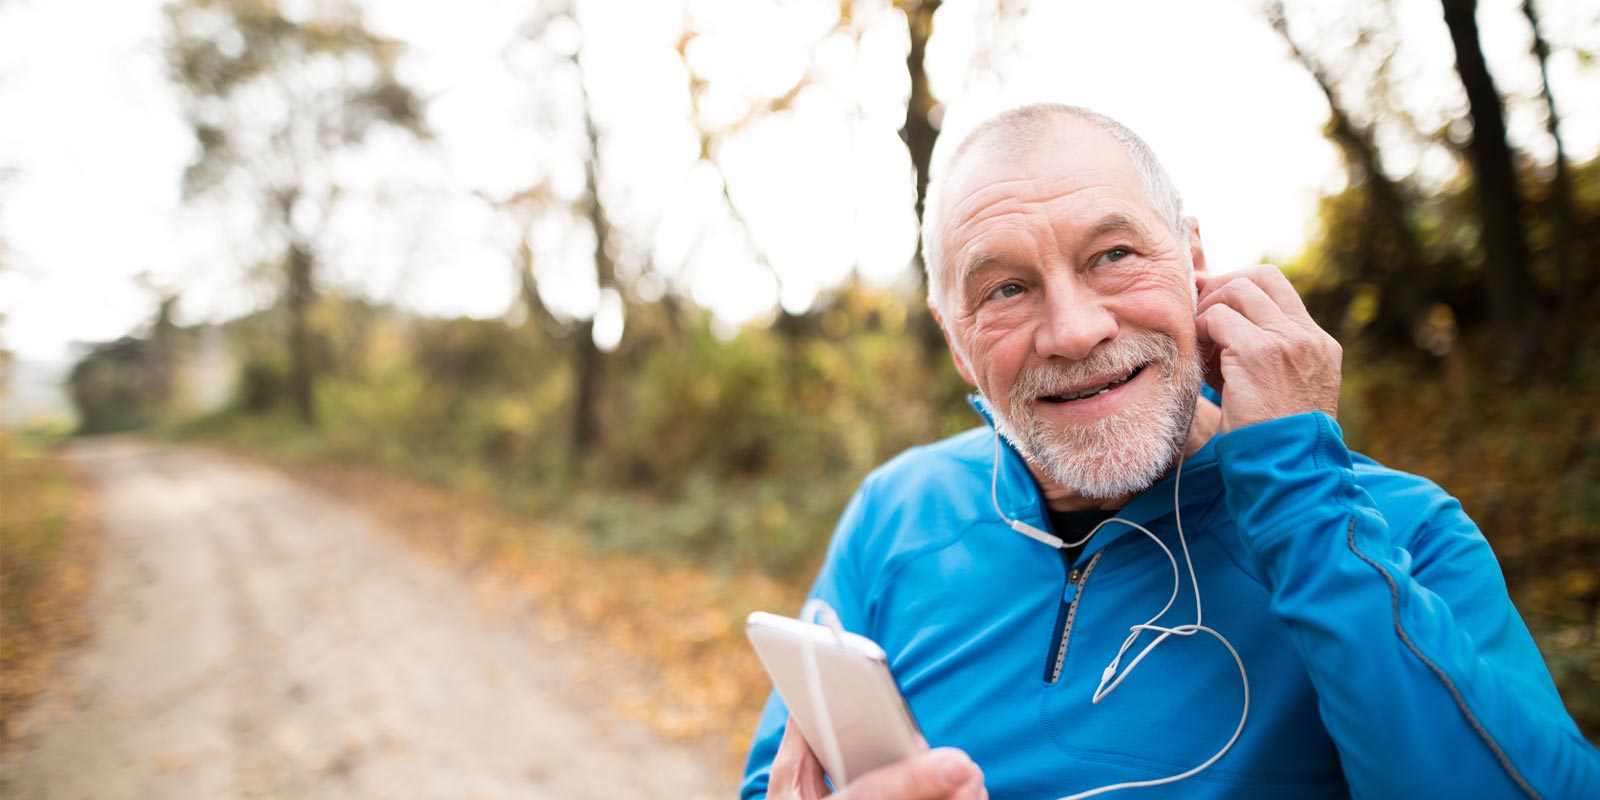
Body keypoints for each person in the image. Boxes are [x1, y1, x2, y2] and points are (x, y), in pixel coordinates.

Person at [740, 104, 1600, 799]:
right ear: (957, 342)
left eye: (1113, 255)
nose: (1075, 330)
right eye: (1005, 288)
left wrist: (1299, 498)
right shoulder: (895, 510)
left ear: (1193, 262)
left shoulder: (1404, 531)